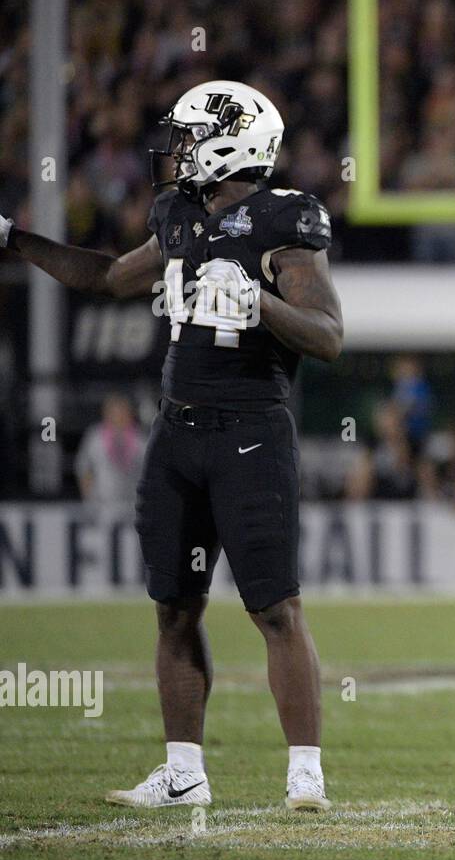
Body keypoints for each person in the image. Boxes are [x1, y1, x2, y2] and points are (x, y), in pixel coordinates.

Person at [0, 80, 343, 809]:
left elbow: (330, 336)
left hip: (251, 432)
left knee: (275, 608)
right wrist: (13, 238)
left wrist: (261, 301)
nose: (177, 152)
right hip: (176, 434)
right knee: (174, 606)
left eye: (189, 138)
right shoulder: (180, 214)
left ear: (235, 143)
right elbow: (106, 276)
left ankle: (305, 770)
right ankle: (185, 772)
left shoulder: (284, 221)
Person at [76, 393, 146, 506]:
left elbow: (149, 472)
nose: (119, 416)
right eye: (115, 412)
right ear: (106, 414)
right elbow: (84, 468)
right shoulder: (95, 437)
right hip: (101, 504)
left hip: (133, 505)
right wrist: (89, 499)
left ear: (130, 413)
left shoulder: (141, 439)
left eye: (122, 411)